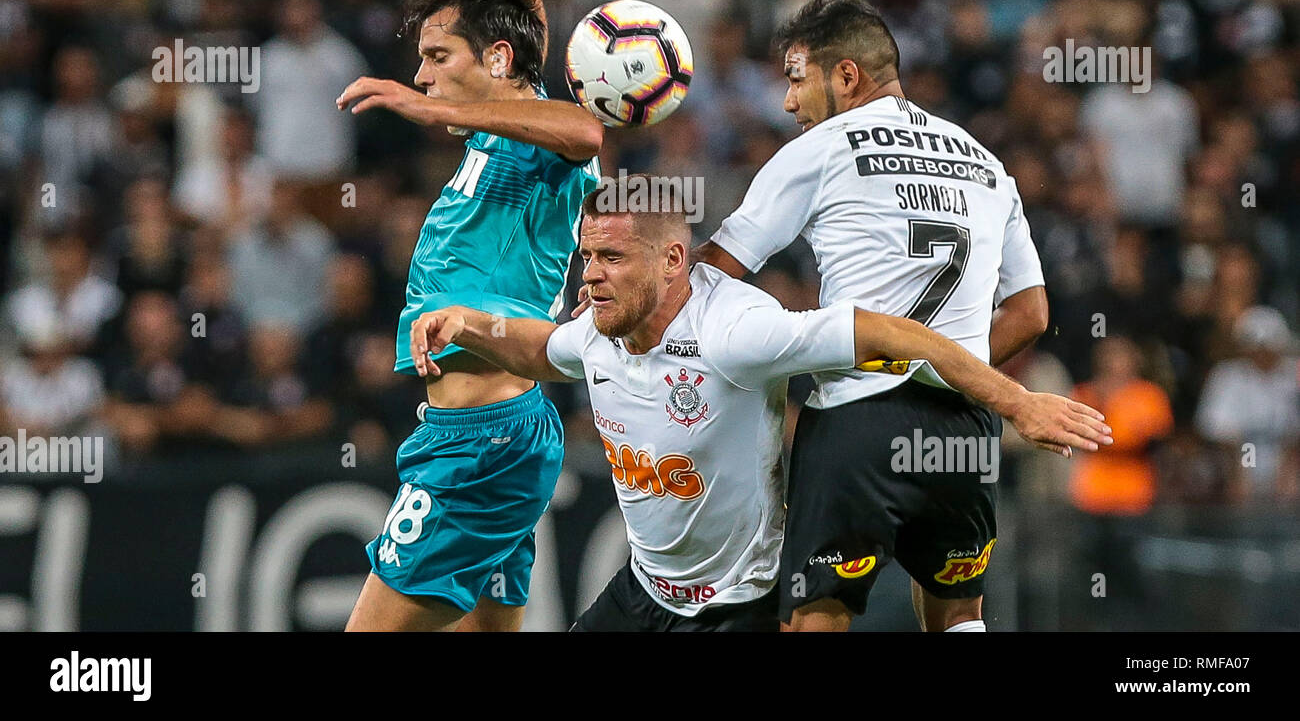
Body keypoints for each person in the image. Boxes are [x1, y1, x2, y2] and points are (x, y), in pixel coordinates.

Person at [409, 178, 1110, 631]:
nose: (590, 276)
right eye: (587, 257)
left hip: (743, 605)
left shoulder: (738, 332)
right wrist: (468, 325)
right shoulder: (598, 326)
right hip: (646, 593)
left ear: (672, 263)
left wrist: (1016, 402)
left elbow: (895, 333)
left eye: (612, 259)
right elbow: (544, 350)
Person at [692, 0, 1055, 632]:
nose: (787, 102)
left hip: (859, 421)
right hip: (965, 429)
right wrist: (953, 369)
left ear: (847, 77)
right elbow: (1030, 312)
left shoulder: (823, 148)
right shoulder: (989, 165)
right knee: (960, 618)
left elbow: (713, 273)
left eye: (796, 78)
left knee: (816, 619)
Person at [341, 0, 604, 632]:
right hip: (490, 433)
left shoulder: (547, 144)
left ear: (485, 63)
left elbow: (584, 129)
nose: (421, 76)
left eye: (436, 57)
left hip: (479, 443)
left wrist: (422, 113)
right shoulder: (503, 133)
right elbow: (517, 58)